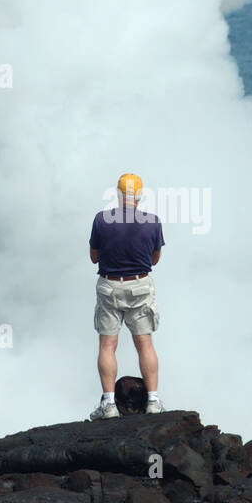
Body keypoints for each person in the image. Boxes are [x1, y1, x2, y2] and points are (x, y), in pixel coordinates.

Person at [89, 173, 165, 419]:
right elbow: (154, 259)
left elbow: (94, 257)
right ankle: (153, 401)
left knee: (107, 345)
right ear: (140, 195)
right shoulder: (152, 222)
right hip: (140, 285)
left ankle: (109, 405)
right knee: (144, 343)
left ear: (118, 194)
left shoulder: (101, 220)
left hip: (110, 286)